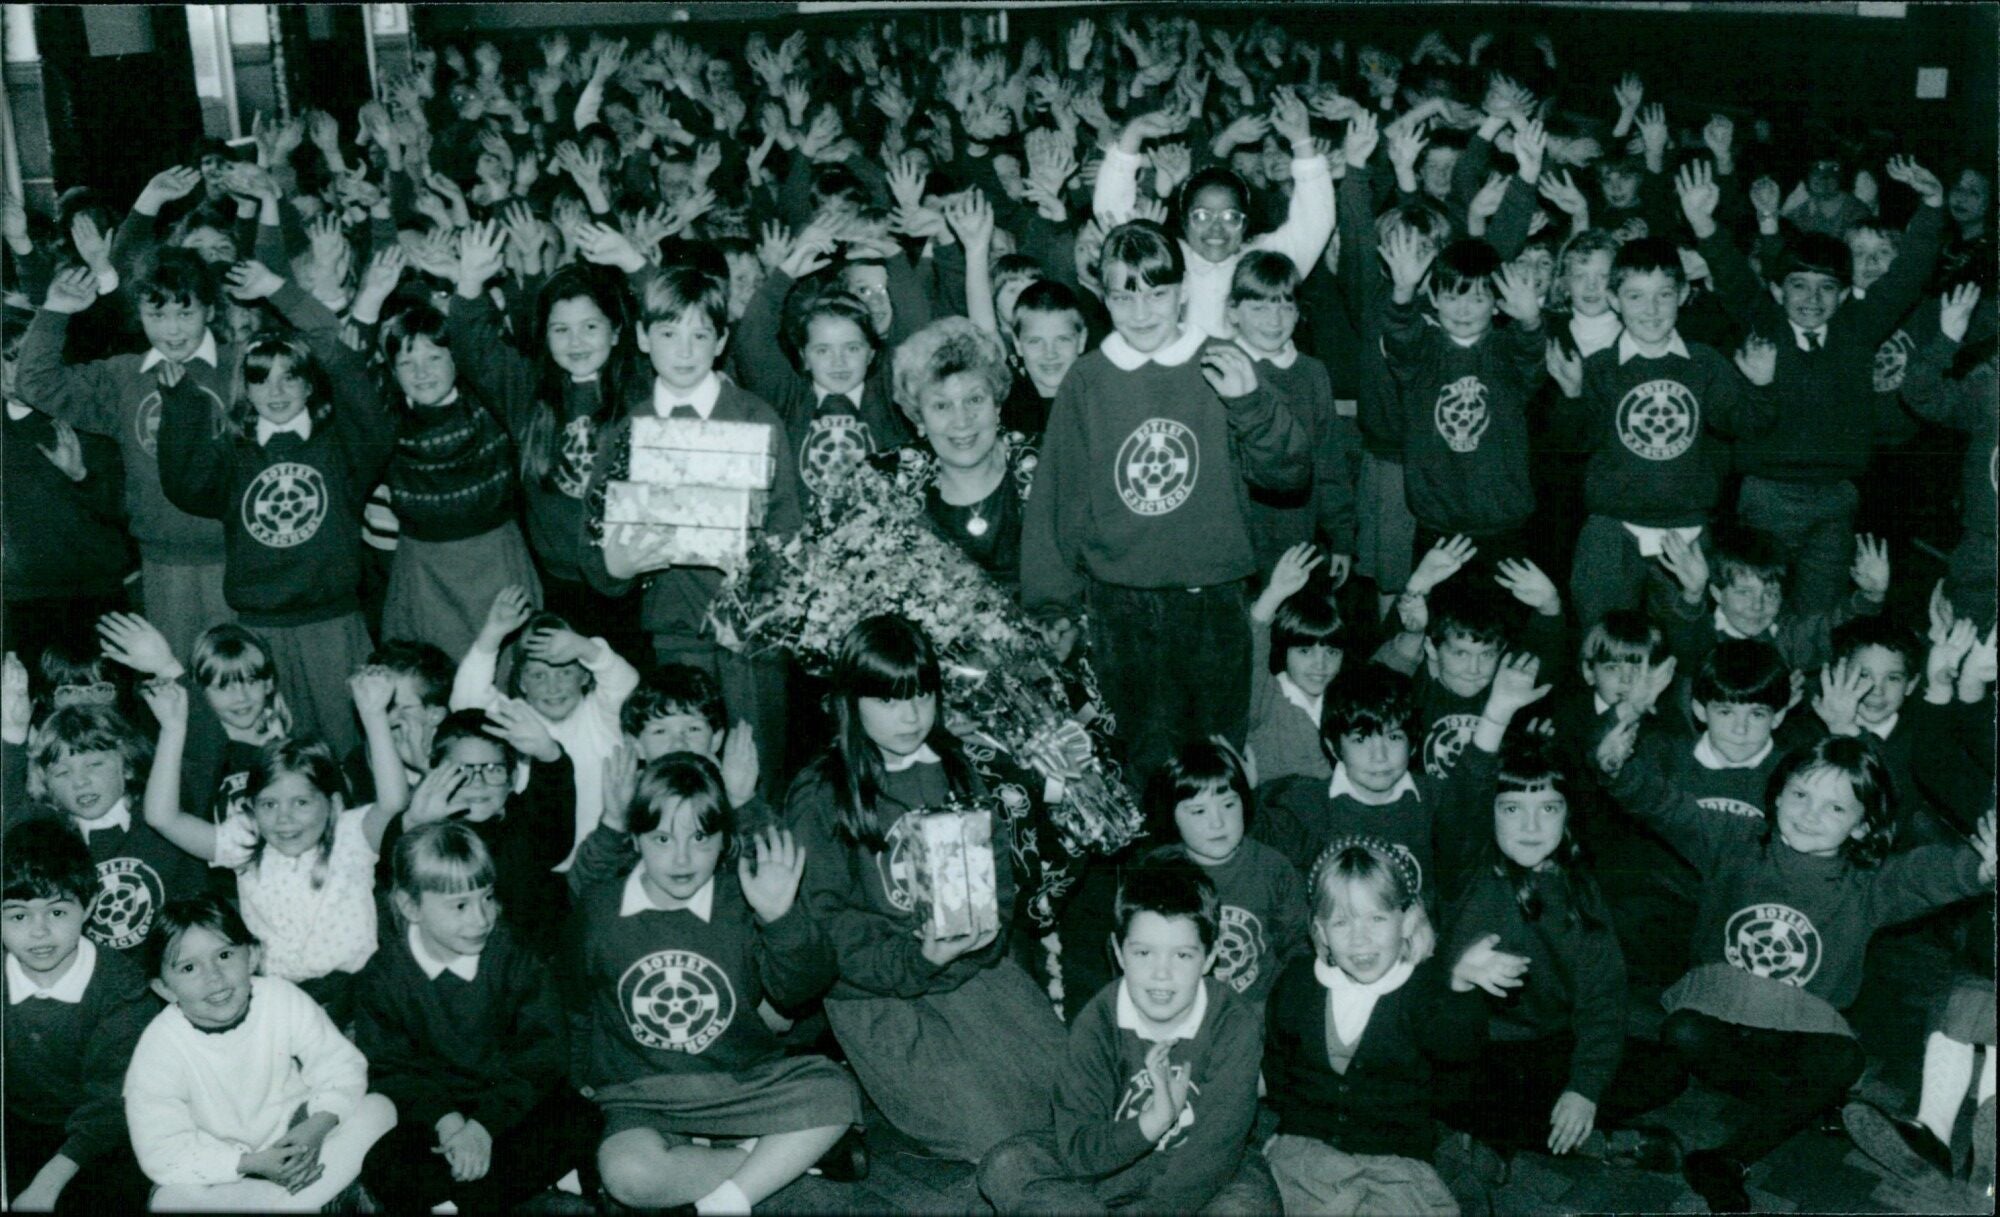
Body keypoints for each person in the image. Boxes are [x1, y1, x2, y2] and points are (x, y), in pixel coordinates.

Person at [1596, 724, 1997, 1212]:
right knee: (1682, 1032)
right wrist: (1621, 770)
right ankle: (1804, 1104)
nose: (1811, 815)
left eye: (1835, 808)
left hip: (1795, 1029)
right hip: (1717, 1016)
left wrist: (1979, 870)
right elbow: (1671, 810)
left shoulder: (1867, 883)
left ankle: (1729, 1158)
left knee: (1843, 1062)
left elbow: (1924, 877)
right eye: (1801, 795)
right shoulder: (1734, 840)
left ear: (1862, 825)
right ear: (1777, 794)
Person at [1021, 220, 1310, 783]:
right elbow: (1057, 498)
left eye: (1156, 292)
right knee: (1143, 769)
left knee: (1215, 765)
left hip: (1213, 602)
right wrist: (1052, 607)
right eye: (1123, 294)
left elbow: (1289, 472)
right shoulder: (1087, 380)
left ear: (1183, 291)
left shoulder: (1223, 360)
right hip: (1120, 606)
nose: (1141, 309)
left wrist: (1250, 404)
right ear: (1103, 298)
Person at [785, 614, 1065, 1162]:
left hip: (969, 971)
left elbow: (999, 881)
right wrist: (917, 960)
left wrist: (976, 944)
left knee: (1072, 1097)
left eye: (921, 695)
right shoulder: (822, 792)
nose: (910, 716)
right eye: (887, 700)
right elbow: (828, 923)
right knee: (995, 1136)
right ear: (851, 702)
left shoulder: (957, 770)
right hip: (878, 992)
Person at [572, 753, 863, 1212]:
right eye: (662, 837)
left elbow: (801, 989)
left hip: (740, 1078)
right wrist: (581, 1077)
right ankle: (779, 1160)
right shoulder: (599, 908)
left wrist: (779, 917)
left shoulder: (741, 897)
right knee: (629, 1176)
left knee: (837, 1091)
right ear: (635, 838)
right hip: (643, 1092)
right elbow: (575, 999)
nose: (682, 858)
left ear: (726, 839)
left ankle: (729, 1199)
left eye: (702, 837)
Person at [1434, 654, 1687, 1167]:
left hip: (1547, 1044)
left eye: (1548, 809)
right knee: (1439, 1085)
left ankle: (1518, 1133)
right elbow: (1463, 800)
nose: (1531, 826)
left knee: (1666, 1069)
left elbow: (1604, 996)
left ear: (1567, 818)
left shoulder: (1577, 887)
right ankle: (1589, 1142)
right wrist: (1497, 715)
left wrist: (1584, 1089)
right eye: (1512, 809)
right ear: (1491, 815)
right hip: (1473, 1045)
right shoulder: (1467, 866)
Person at [1682, 155, 1945, 615]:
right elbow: (1733, 276)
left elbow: (1907, 275)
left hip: (1836, 497)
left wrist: (1933, 203)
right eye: (1799, 286)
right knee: (1757, 605)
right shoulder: (1765, 323)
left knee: (1819, 610)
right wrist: (1704, 225)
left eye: (1826, 289)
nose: (1812, 299)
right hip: (1767, 493)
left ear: (1844, 296)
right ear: (1780, 291)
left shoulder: (1856, 330)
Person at [154, 266, 394, 757]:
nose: (277, 392)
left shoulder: (341, 446)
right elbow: (185, 487)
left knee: (351, 749)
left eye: (291, 378)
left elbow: (368, 409)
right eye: (261, 381)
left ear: (312, 385)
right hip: (259, 629)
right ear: (246, 391)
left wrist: (283, 293)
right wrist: (179, 408)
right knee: (272, 755)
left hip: (334, 625)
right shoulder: (234, 454)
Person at [581, 265, 799, 803]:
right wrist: (616, 569)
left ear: (722, 341)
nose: (684, 350)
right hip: (671, 638)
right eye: (668, 333)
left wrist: (758, 569)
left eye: (700, 334)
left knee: (756, 783)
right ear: (640, 337)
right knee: (681, 790)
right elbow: (591, 542)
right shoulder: (625, 430)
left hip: (751, 647)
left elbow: (791, 530)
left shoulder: (755, 418)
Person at [978, 852, 1280, 1213]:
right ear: (1119, 953)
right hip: (1114, 1163)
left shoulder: (1232, 1021)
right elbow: (1078, 1150)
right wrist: (1152, 1122)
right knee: (1008, 1165)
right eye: (1144, 953)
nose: (1161, 974)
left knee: (1250, 1203)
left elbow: (1216, 1147)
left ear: (1210, 957)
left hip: (1207, 1171)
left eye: (1182, 956)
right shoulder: (1100, 1020)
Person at [353, 822, 601, 1213]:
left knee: (580, 1121)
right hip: (437, 1117)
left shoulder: (515, 955)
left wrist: (484, 1128)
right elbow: (392, 1068)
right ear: (410, 906)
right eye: (460, 906)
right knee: (385, 1168)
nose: (481, 919)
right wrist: (448, 1122)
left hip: (514, 1105)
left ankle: (469, 1198)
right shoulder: (384, 977)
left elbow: (542, 1057)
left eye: (487, 898)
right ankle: (507, 1195)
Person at [136, 674, 408, 1023]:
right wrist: (173, 729)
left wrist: (374, 716)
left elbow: (394, 799)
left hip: (362, 993)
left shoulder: (349, 835)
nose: (284, 819)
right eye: (269, 805)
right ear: (251, 809)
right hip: (283, 1000)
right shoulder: (247, 846)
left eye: (301, 802)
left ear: (334, 805)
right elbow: (162, 817)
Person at [1545, 235, 1779, 629]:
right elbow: (1572, 443)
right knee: (1602, 641)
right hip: (1611, 528)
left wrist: (1760, 386)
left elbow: (1744, 425)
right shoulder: (1600, 368)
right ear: (1614, 300)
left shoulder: (1704, 363)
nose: (1651, 310)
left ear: (1683, 295)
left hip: (1686, 529)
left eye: (1664, 295)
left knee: (1686, 641)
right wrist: (1571, 395)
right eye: (1635, 297)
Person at [16, 250, 235, 664]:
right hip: (161, 563)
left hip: (241, 560)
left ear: (209, 308)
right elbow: (36, 384)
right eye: (156, 316)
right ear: (139, 314)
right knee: (175, 684)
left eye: (185, 314)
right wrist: (56, 310)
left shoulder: (239, 366)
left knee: (243, 685)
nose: (172, 331)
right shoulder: (124, 376)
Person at [1261, 840, 1501, 1216]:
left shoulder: (1422, 990)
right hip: (1310, 1146)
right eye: (1342, 922)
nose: (1360, 939)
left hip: (1394, 1154)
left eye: (1377, 918)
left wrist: (1460, 988)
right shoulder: (1298, 985)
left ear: (1406, 921)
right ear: (1321, 932)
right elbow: (1279, 1065)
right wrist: (1285, 1126)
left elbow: (1461, 1049)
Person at [123, 896, 399, 1212]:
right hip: (228, 1167)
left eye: (225, 955)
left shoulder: (280, 998)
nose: (213, 977)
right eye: (188, 968)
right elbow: (160, 1149)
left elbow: (340, 1066)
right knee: (168, 1201)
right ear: (165, 989)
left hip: (301, 1140)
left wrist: (316, 1128)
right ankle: (307, 1202)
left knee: (379, 1109)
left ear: (252, 956)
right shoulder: (159, 1046)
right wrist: (250, 1163)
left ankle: (296, 1202)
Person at [2, 819, 157, 1214]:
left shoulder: (123, 989)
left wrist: (46, 1185)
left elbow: (110, 1104)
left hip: (102, 1135)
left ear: (87, 905)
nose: (39, 932)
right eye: (18, 916)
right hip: (17, 1127)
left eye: (57, 911)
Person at [1093, 92, 1334, 340]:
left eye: (1230, 217)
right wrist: (1133, 136)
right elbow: (1112, 222)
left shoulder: (1263, 263)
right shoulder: (1166, 258)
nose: (1216, 229)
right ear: (1184, 222)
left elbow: (1315, 223)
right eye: (1201, 216)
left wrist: (1302, 142)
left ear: (1245, 223)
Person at [450, 588, 639, 868]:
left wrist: (587, 648)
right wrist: (491, 634)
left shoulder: (600, 715)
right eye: (538, 675)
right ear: (522, 682)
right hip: (535, 864)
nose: (552, 687)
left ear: (585, 676)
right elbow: (466, 704)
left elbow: (625, 683)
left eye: (564, 672)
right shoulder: (516, 718)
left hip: (605, 861)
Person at [5, 703, 207, 959]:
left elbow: (205, 751)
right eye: (62, 772)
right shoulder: (52, 840)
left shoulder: (168, 811)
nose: (80, 781)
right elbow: (10, 811)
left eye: (95, 765)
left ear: (128, 766)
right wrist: (13, 736)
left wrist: (171, 674)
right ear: (48, 790)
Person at [883, 316, 1038, 592]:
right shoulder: (891, 486)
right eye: (942, 406)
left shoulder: (1043, 468)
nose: (962, 420)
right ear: (919, 417)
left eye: (975, 399)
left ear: (997, 404)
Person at [1146, 741, 1306, 1005]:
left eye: (1229, 805)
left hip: (1261, 1009)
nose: (1218, 822)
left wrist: (1285, 1004)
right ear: (1171, 817)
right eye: (1198, 811)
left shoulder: (1273, 868)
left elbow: (1298, 947)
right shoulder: (1158, 872)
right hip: (1183, 1009)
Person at [1247, 544, 1346, 788]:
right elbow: (1250, 657)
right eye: (1304, 651)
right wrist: (1273, 595)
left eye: (1332, 652)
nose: (1320, 665)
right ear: (1284, 650)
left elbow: (1394, 665)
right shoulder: (1266, 698)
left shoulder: (1345, 697)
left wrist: (1416, 594)